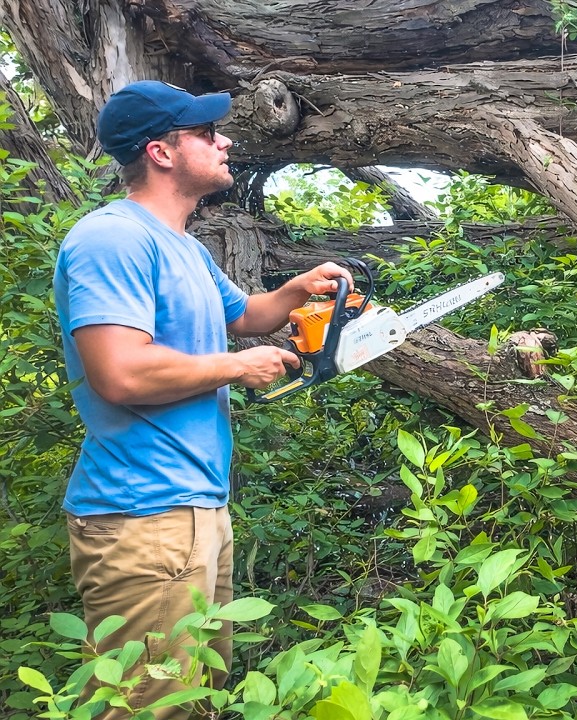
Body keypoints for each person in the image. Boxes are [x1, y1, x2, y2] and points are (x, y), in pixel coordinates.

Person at [53, 80, 352, 718]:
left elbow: (245, 315)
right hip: (142, 513)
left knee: (194, 700)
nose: (226, 141)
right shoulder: (113, 239)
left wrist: (298, 289)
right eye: (206, 133)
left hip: (192, 508)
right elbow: (121, 373)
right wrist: (236, 368)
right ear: (162, 152)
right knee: (145, 706)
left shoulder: (183, 247)